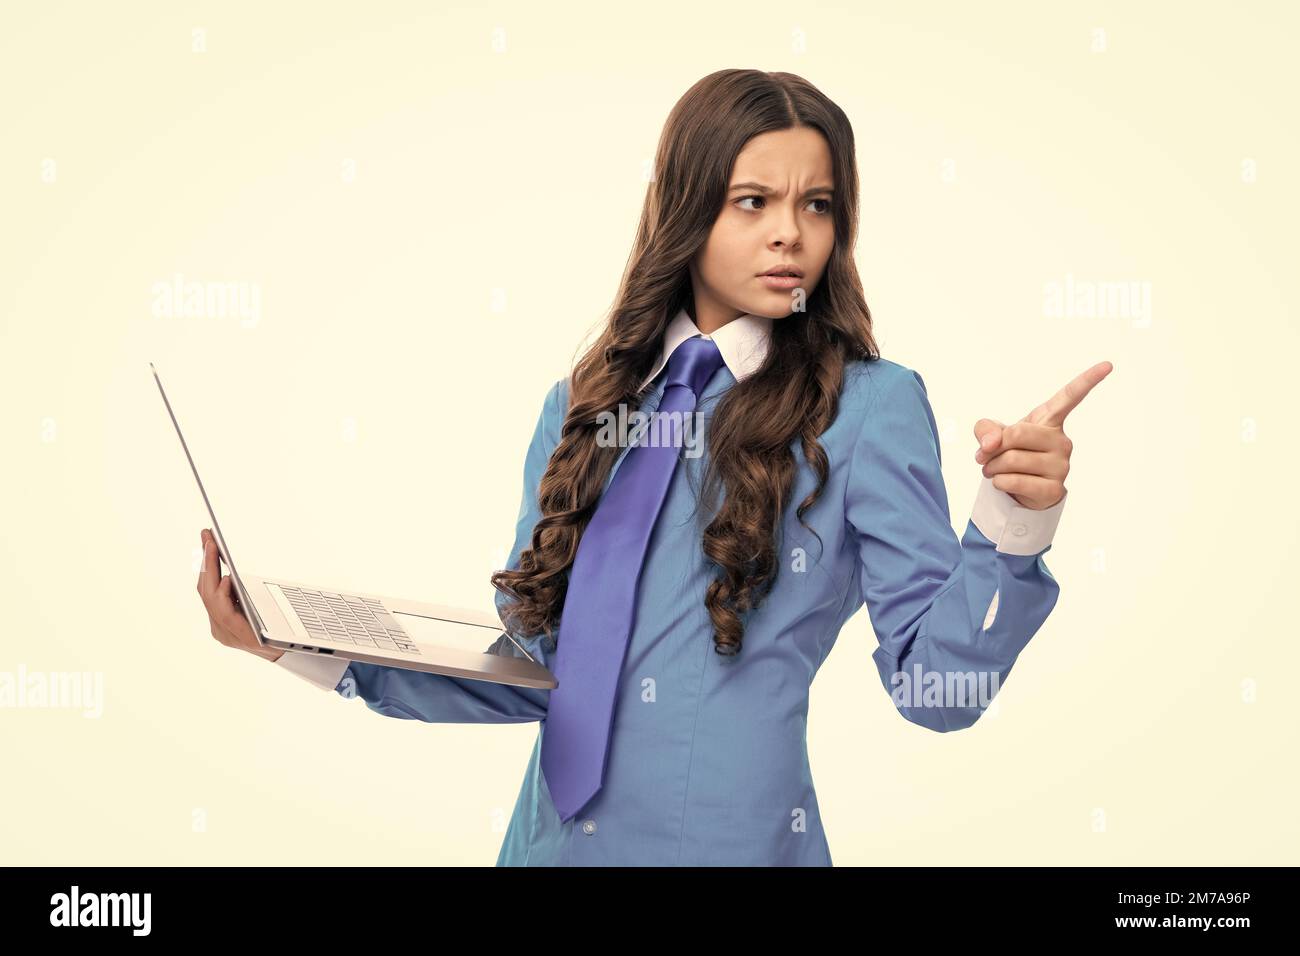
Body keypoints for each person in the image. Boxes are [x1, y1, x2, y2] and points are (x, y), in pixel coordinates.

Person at [197, 68, 1110, 866]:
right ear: (687, 207)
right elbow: (536, 666)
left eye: (817, 204)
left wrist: (1011, 523)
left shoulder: (868, 407)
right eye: (754, 201)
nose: (791, 233)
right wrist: (297, 643)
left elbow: (934, 690)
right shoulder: (583, 404)